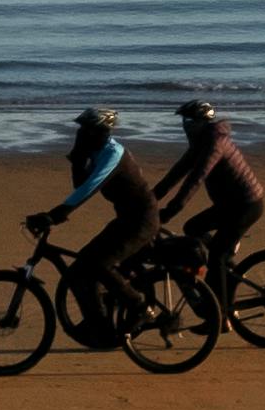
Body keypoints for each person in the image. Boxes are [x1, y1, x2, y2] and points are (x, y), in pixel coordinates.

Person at [24, 106, 165, 339]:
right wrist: (77, 157)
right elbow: (80, 183)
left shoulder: (113, 154)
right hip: (126, 219)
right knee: (80, 269)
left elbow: (90, 187)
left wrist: (55, 215)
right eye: (81, 129)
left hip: (142, 221)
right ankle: (97, 323)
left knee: (99, 264)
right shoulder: (95, 151)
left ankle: (140, 307)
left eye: (86, 129)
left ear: (100, 131)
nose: (82, 133)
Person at [150, 95, 265, 292]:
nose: (185, 126)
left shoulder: (214, 144)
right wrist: (148, 199)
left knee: (216, 258)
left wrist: (172, 210)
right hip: (228, 205)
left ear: (201, 123)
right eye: (183, 121)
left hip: (246, 205)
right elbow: (176, 174)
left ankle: (220, 313)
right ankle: (224, 257)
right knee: (193, 228)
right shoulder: (200, 143)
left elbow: (195, 179)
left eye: (188, 121)